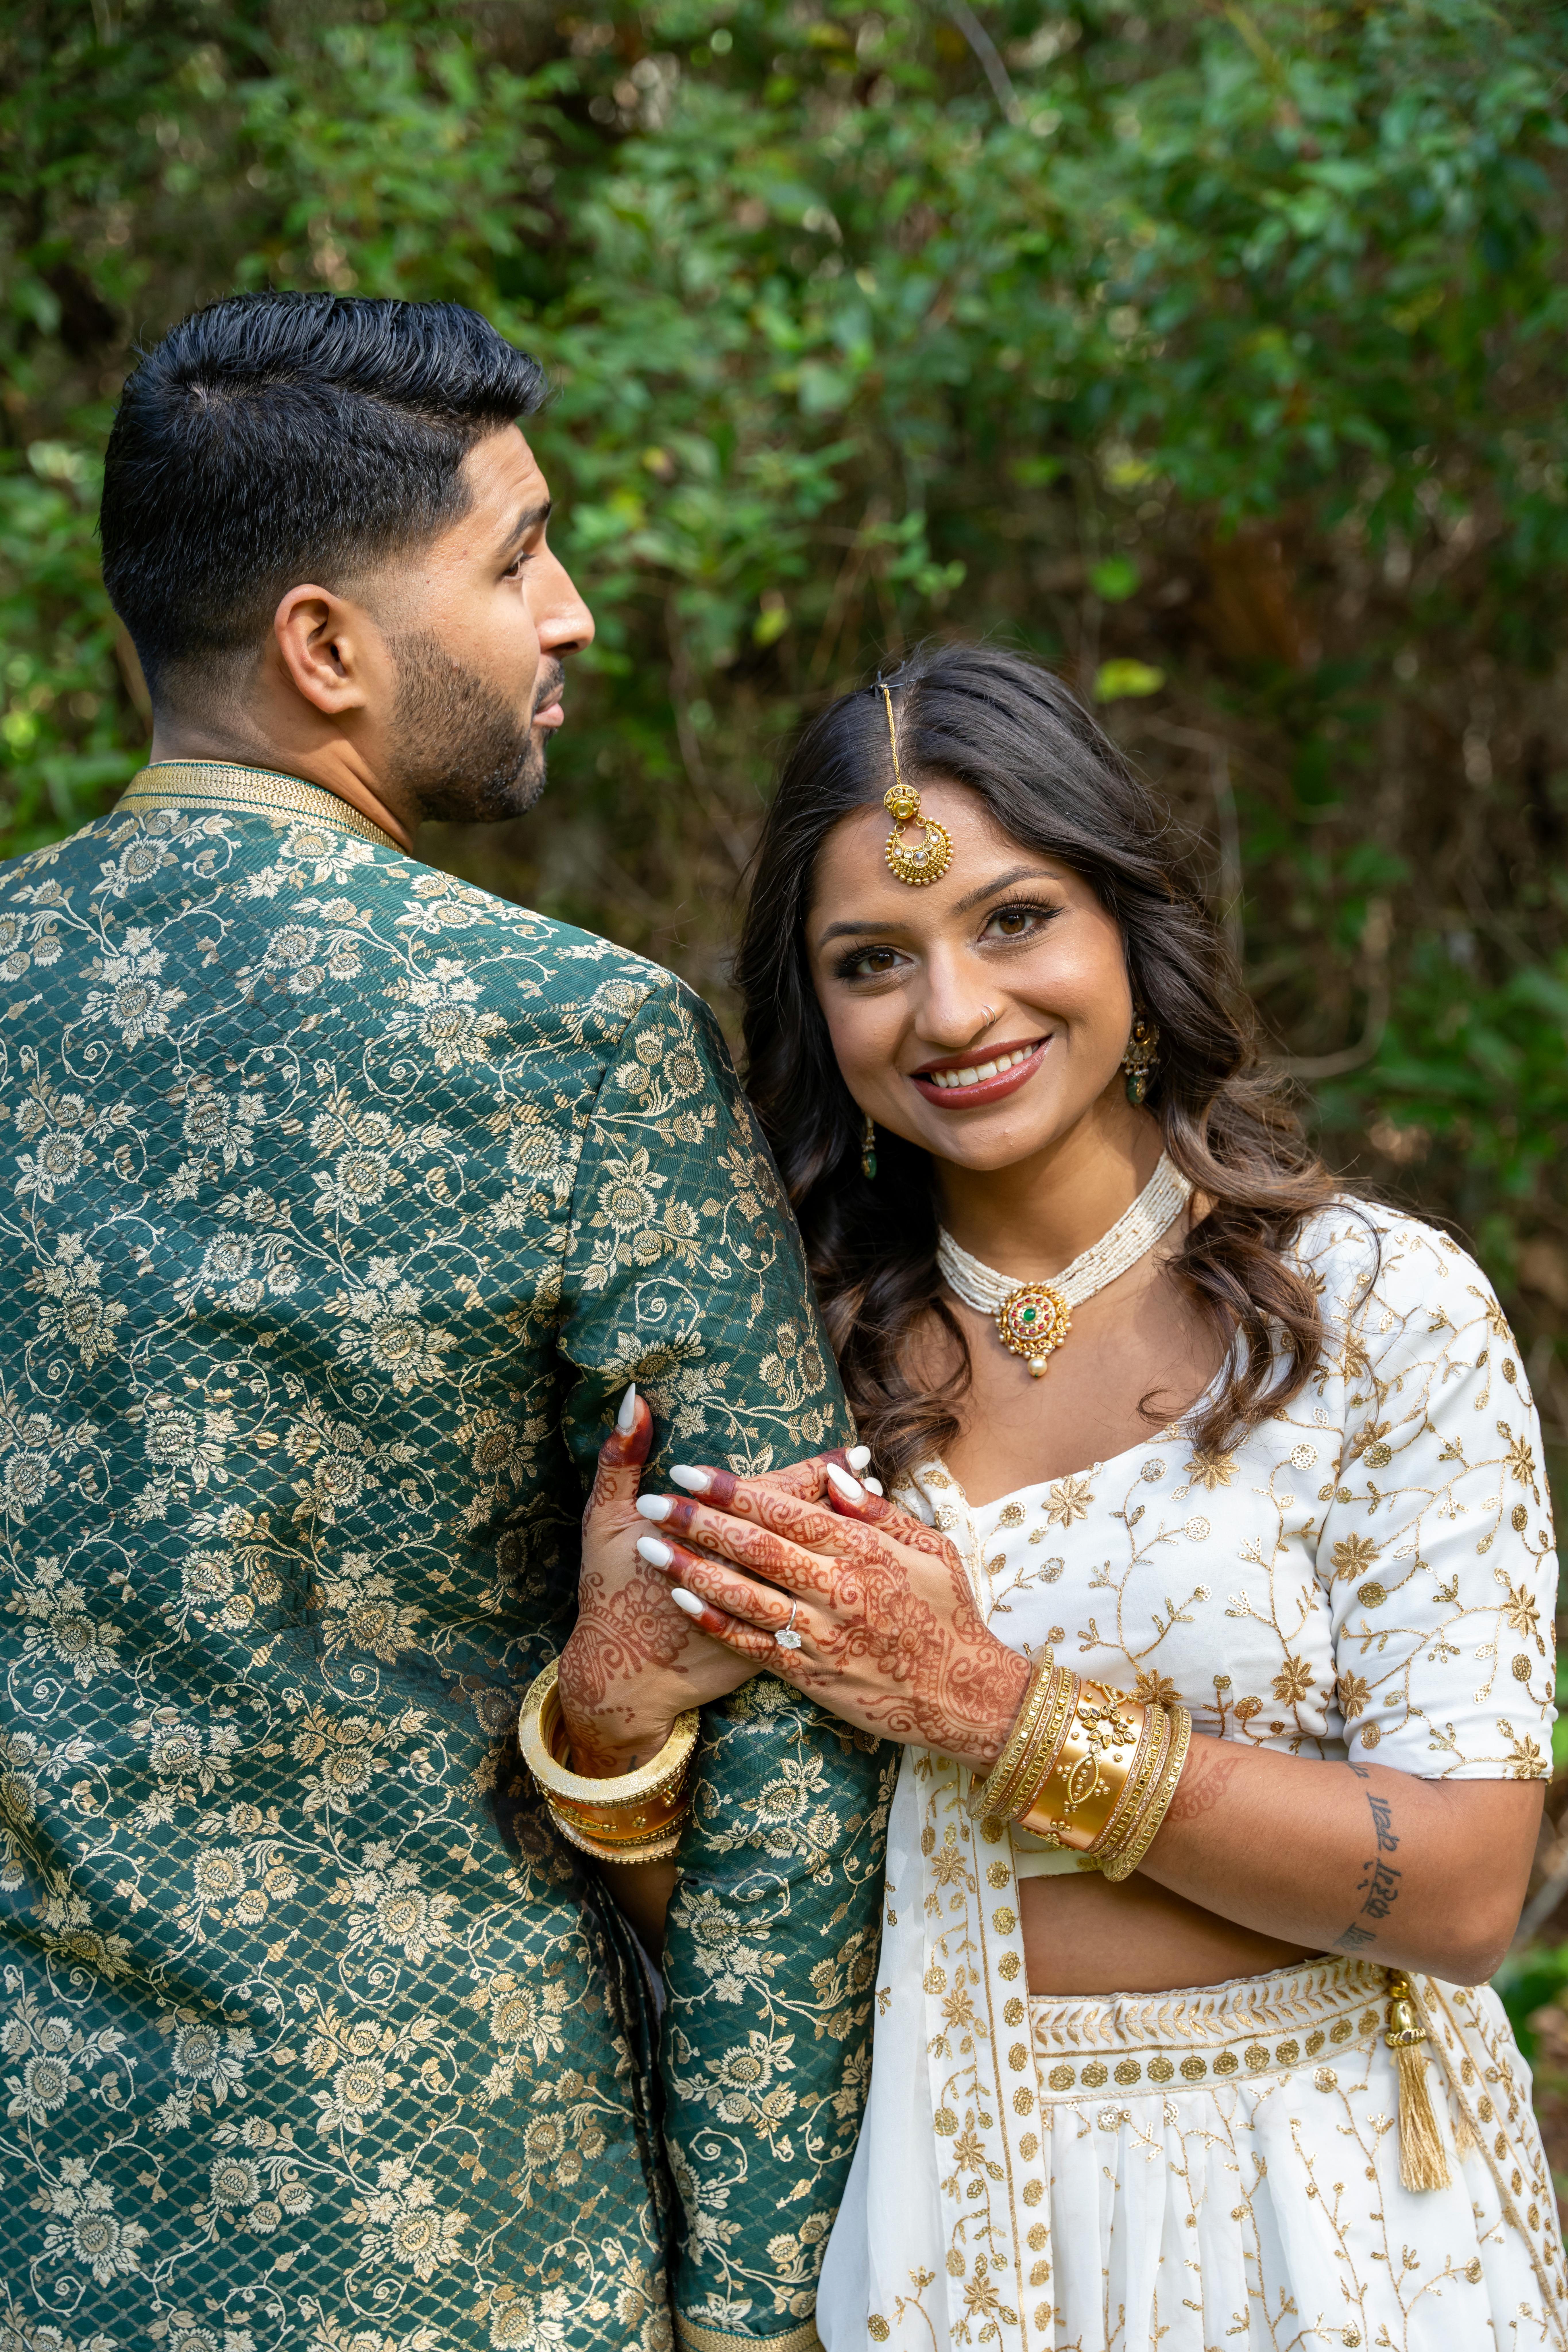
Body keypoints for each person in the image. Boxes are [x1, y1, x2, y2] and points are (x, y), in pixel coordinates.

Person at [0, 290, 888, 2352]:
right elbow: (779, 1696)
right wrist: (758, 2299)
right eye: (515, 558)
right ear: (323, 648)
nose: (567, 612)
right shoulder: (570, 1046)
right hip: (455, 2225)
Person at [586, 643, 1566, 2350]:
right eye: (871, 960)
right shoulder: (779, 1370)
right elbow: (749, 1918)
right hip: (943, 2205)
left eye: (1015, 918)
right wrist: (611, 1722)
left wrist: (985, 1703)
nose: (953, 1012)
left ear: (1128, 917)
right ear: (814, 1013)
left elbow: (1471, 1891)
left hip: (1335, 2208)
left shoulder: (1377, 1315)